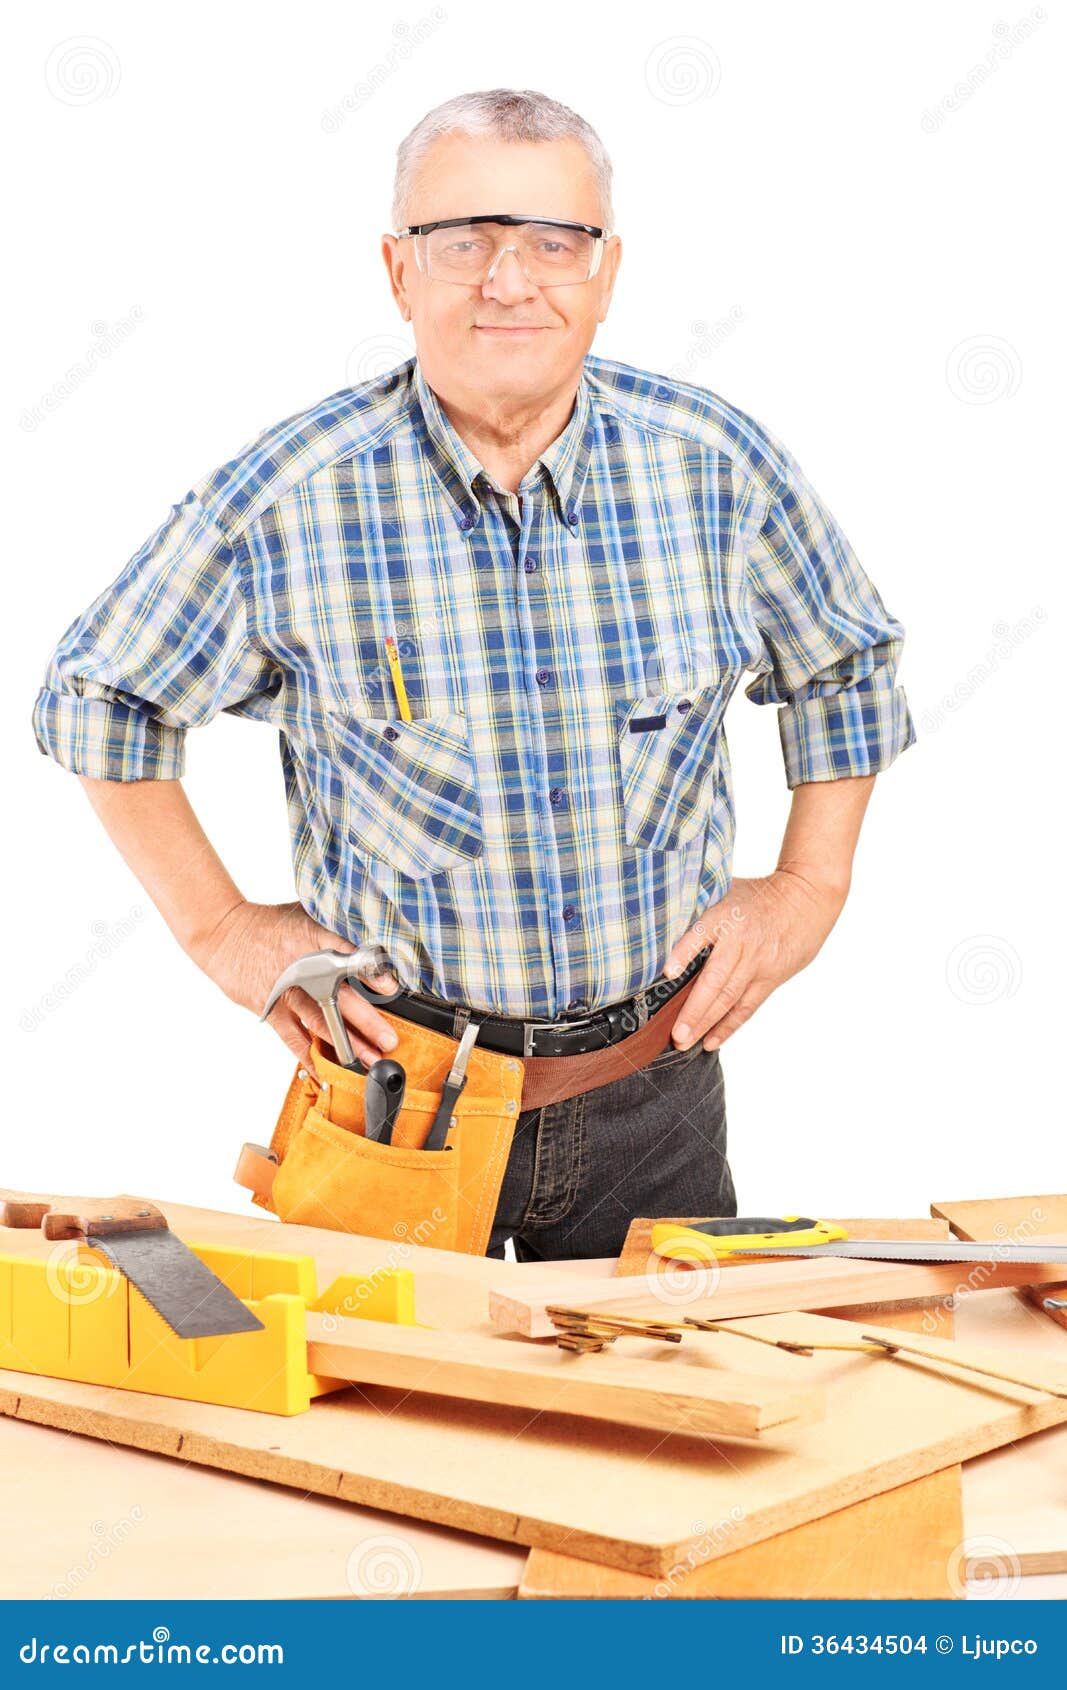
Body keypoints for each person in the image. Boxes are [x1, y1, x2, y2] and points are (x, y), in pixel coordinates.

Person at [31, 88, 915, 1259]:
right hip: (396, 1104)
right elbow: (96, 696)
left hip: (655, 1102)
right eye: (464, 243)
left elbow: (845, 659)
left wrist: (808, 886)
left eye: (555, 242)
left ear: (605, 272)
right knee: (380, 1436)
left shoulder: (717, 470)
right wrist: (222, 930)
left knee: (659, 1422)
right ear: (399, 273)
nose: (510, 280)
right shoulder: (290, 497)